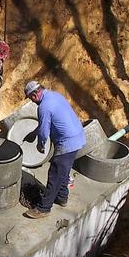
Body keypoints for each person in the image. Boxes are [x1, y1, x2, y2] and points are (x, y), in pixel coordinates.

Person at [23, 80, 86, 219]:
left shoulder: (43, 107)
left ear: (34, 95)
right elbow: (50, 120)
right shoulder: (54, 95)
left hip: (67, 142)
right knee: (64, 170)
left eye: (31, 98)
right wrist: (34, 133)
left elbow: (44, 131)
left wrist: (40, 144)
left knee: (55, 174)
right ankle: (62, 197)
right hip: (78, 137)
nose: (32, 102)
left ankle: (44, 208)